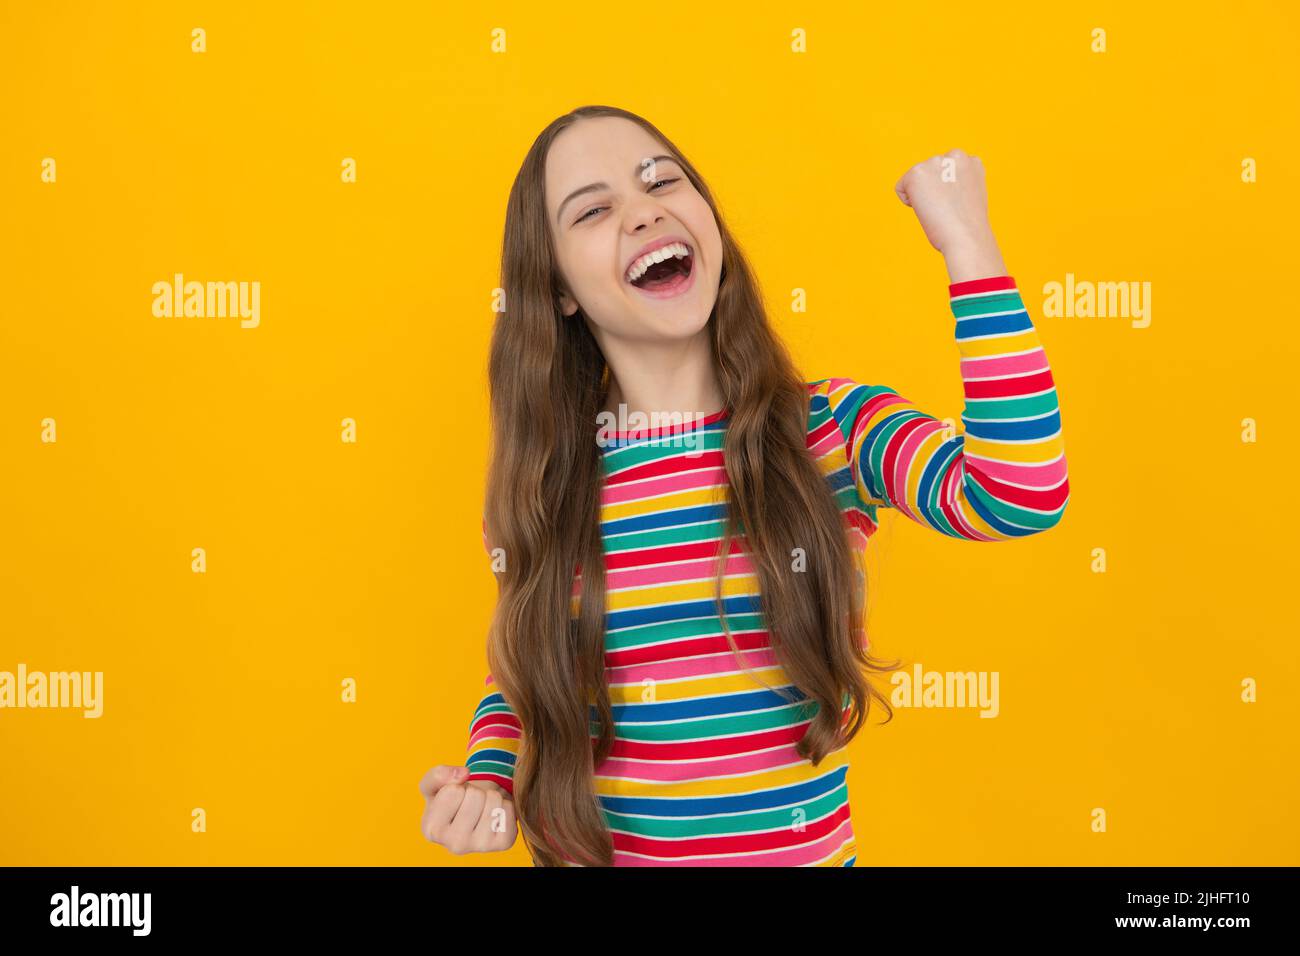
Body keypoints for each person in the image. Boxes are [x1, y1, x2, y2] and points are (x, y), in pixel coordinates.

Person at [419, 105, 1069, 867]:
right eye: (593, 210)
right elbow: (524, 677)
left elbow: (1019, 493)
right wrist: (488, 784)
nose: (644, 210)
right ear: (558, 288)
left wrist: (969, 246)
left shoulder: (831, 429)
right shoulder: (548, 486)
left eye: (662, 180)